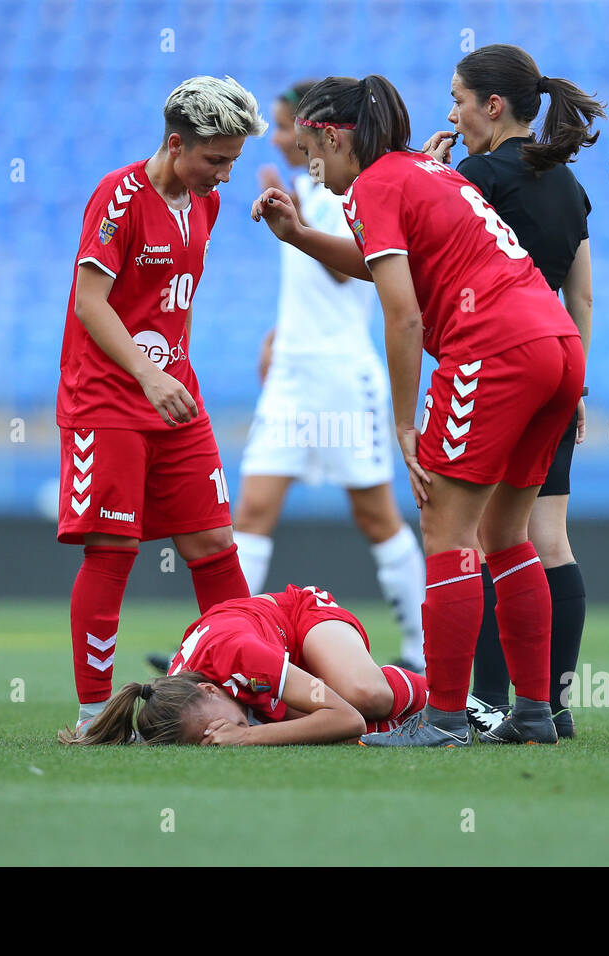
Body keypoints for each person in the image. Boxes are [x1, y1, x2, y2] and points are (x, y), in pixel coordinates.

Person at [251, 74, 585, 747]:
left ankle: (444, 719)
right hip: (556, 348)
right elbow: (383, 267)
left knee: (445, 534)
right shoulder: (424, 173)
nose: (310, 164)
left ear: (340, 137)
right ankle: (533, 712)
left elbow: (402, 318)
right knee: (507, 538)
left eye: (314, 147)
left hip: (494, 351)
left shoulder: (379, 184)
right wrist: (298, 235)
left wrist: (405, 424)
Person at [57, 76, 265, 733]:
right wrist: (150, 375)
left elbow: (176, 302)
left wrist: (173, 374)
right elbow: (91, 301)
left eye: (233, 161)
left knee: (214, 543)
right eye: (216, 160)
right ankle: (96, 716)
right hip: (110, 399)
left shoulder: (205, 204)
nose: (226, 175)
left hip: (175, 396)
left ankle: (248, 699)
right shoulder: (118, 198)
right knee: (113, 549)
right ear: (176, 145)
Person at [422, 45, 603, 738]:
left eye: (459, 100)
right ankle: (550, 703)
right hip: (557, 369)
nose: (452, 113)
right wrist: (576, 382)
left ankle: (488, 702)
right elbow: (579, 297)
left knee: (483, 538)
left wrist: (438, 184)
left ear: (492, 106)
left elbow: (441, 260)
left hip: (497, 368)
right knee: (547, 539)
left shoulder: (479, 175)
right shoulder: (569, 185)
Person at [235, 80, 427, 675]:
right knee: (253, 511)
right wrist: (277, 335)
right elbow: (308, 292)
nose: (283, 137)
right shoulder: (301, 191)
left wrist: (294, 222)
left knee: (375, 515)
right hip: (293, 374)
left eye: (288, 125)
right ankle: (228, 643)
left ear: (319, 131)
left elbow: (351, 274)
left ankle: (423, 647)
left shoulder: (340, 192)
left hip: (346, 378)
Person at [60, 584, 429, 745]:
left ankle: (439, 695)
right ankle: (406, 721)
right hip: (266, 672)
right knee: (339, 733)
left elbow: (347, 716)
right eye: (206, 741)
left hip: (304, 619)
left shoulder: (240, 657)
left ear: (207, 688)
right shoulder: (171, 704)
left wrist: (250, 735)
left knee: (364, 696)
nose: (220, 735)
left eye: (214, 727)